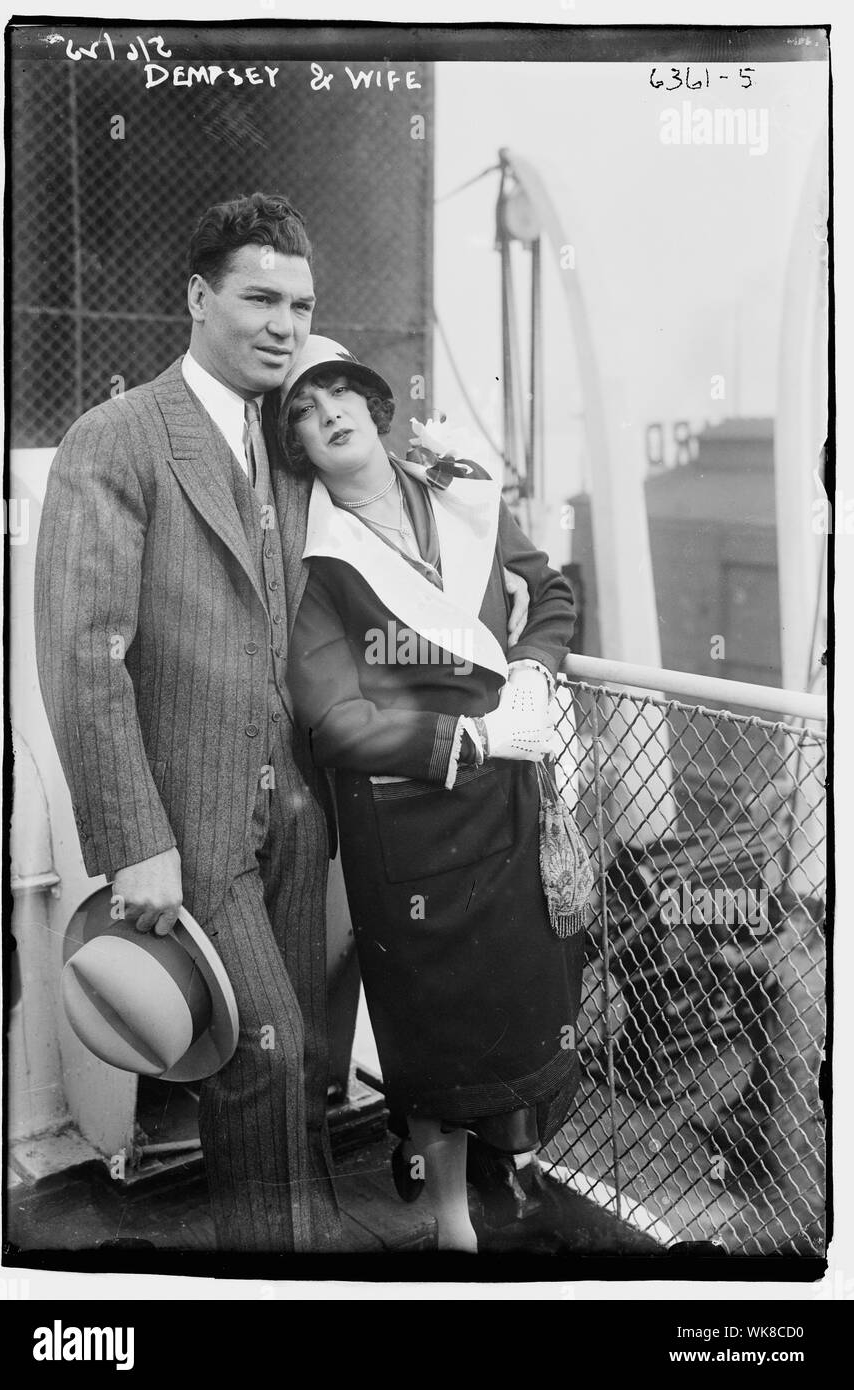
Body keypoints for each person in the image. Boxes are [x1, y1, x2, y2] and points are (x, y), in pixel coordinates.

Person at [34, 192, 342, 1253]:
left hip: (297, 825)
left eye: (300, 305)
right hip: (191, 833)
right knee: (259, 1052)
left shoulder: (285, 446)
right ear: (198, 298)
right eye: (259, 297)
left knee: (302, 1061)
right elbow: (83, 656)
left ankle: (302, 1250)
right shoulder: (114, 439)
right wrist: (136, 843)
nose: (283, 325)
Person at [282, 336, 586, 1252]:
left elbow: (551, 594)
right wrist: (472, 734)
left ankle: (504, 1168)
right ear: (296, 445)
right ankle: (452, 1222)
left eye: (341, 392)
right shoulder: (315, 559)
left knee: (522, 1001)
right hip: (405, 820)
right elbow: (332, 721)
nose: (328, 412)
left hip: (509, 799)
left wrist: (530, 678)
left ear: (376, 408)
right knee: (433, 1025)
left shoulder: (463, 496)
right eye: (302, 409)